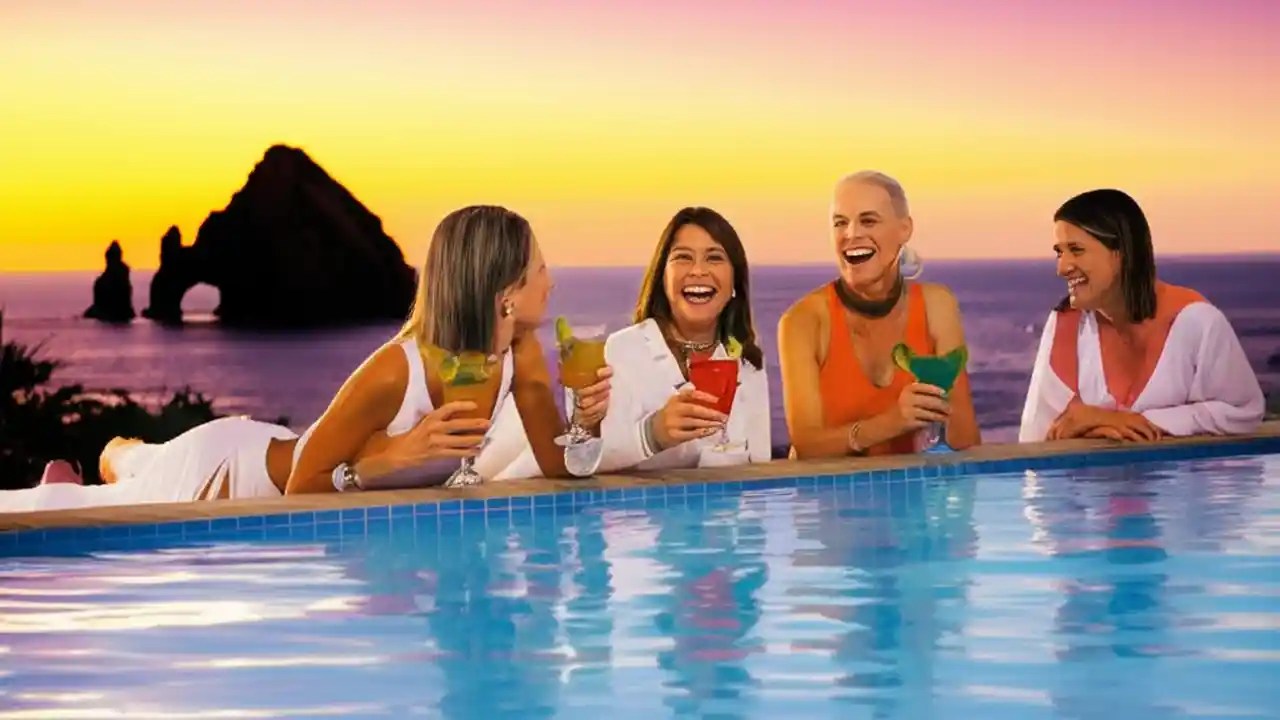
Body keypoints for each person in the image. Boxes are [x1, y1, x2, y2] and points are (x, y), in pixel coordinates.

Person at [0, 205, 612, 512]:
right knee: (101, 493)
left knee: (139, 464)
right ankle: (99, 462)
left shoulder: (522, 354)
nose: (551, 281)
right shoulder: (398, 369)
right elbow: (300, 489)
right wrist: (396, 455)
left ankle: (119, 457)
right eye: (540, 267)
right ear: (504, 291)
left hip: (281, 440)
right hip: (233, 473)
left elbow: (561, 469)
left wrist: (587, 417)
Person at [1019, 189, 1264, 442]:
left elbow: (1243, 412)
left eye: (1076, 250)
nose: (1062, 268)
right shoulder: (1065, 326)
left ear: (1122, 253)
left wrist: (1123, 421)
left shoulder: (1196, 322)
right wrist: (1100, 424)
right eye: (1059, 252)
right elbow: (1035, 438)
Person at [777, 171, 981, 459]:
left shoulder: (937, 305)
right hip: (829, 498)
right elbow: (807, 445)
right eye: (840, 223)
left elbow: (966, 440)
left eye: (868, 221)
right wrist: (893, 422)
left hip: (911, 496)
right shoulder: (803, 321)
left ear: (904, 229)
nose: (851, 234)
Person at [596, 206, 771, 471]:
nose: (698, 271)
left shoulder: (747, 362)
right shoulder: (625, 349)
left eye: (714, 258)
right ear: (662, 277)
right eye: (683, 257)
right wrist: (654, 434)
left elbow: (761, 466)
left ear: (735, 280)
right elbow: (597, 461)